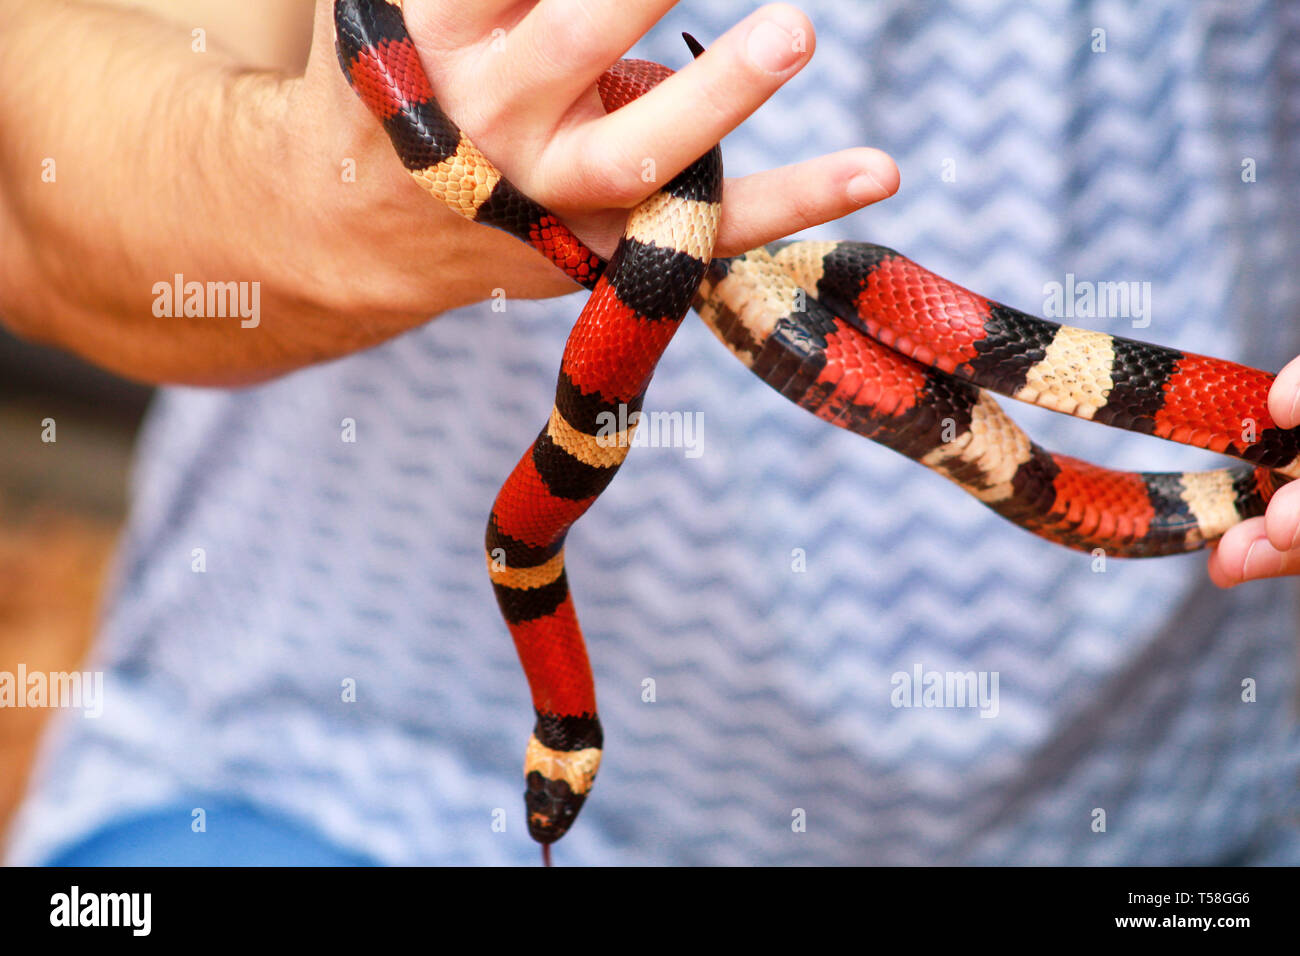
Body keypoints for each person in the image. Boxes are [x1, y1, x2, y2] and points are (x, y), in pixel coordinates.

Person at [1, 0, 1296, 866]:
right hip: (342, 777)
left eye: (554, 775)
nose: (553, 797)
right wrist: (282, 196)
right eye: (559, 774)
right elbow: (32, 183)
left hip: (1155, 825)